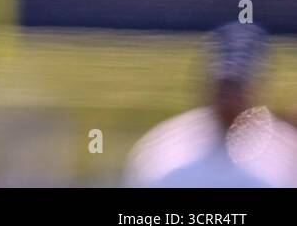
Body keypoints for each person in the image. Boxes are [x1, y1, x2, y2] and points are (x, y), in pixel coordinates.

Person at [125, 22, 297, 187]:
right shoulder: (164, 154)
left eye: (237, 88)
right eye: (224, 87)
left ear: (258, 88)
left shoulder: (285, 155)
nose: (230, 99)